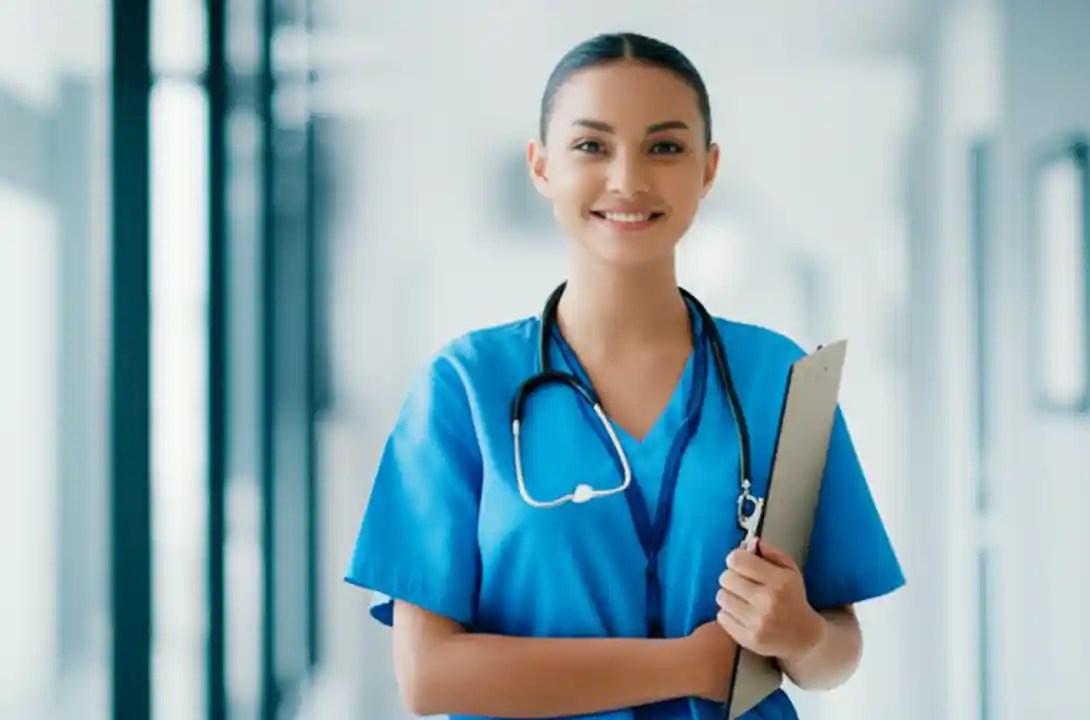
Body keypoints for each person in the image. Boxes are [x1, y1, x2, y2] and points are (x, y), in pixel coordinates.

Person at [344, 31, 905, 720]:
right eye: (591, 146)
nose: (629, 179)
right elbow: (430, 677)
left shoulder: (779, 377)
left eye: (665, 146)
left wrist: (800, 633)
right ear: (541, 166)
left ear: (708, 168)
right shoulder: (464, 385)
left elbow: (834, 654)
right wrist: (689, 665)